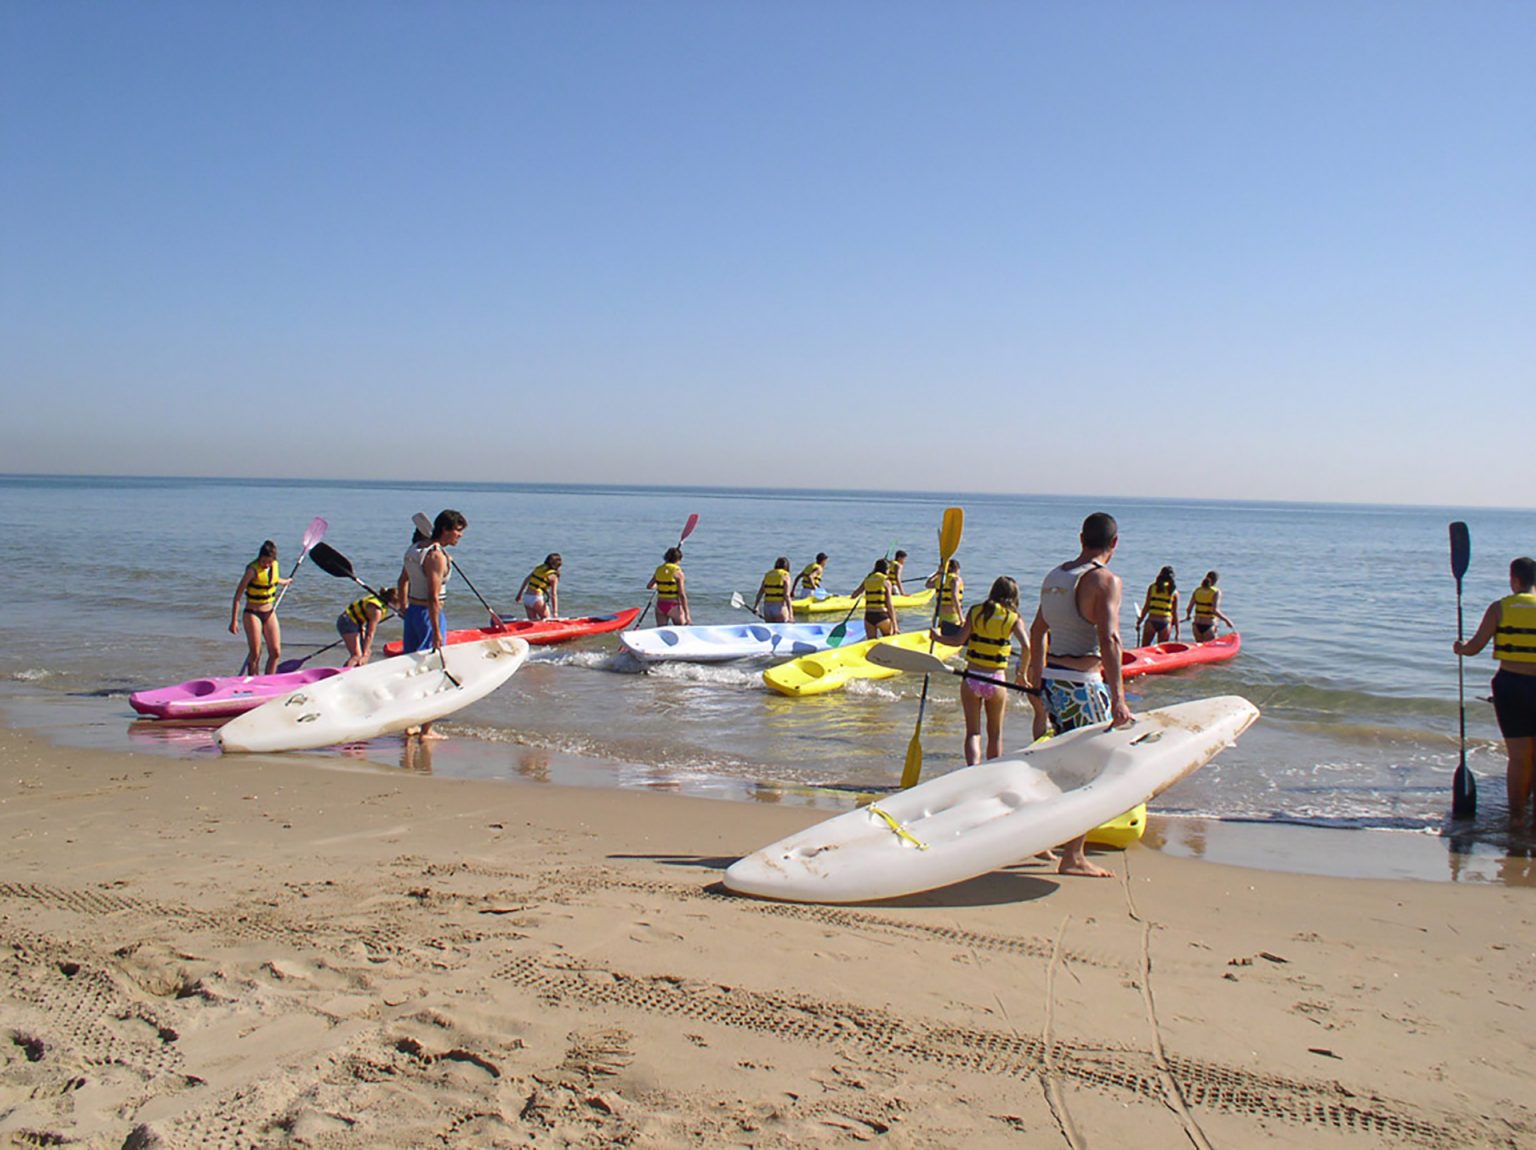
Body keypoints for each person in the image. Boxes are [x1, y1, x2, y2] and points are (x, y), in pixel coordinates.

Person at [1026, 512, 1134, 878]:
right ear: (1114, 544)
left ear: (1081, 538)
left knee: (1057, 763)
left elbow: (1038, 629)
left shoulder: (1055, 576)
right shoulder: (1105, 581)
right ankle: (1074, 855)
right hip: (1083, 685)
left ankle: (1042, 839)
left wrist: (1035, 677)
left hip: (1053, 683)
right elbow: (1110, 639)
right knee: (1091, 769)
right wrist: (1118, 697)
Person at [1453, 556, 1536, 828]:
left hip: (1510, 684)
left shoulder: (1499, 608)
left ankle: (1516, 818)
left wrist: (1460, 647)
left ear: (1514, 580)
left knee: (1519, 757)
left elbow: (1475, 647)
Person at [934, 576, 1031, 765]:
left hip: (971, 678)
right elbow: (1026, 647)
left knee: (973, 732)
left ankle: (972, 770)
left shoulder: (976, 611)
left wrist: (936, 638)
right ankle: (990, 774)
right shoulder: (1013, 618)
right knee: (995, 734)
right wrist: (1022, 675)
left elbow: (958, 641)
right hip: (996, 680)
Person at [395, 510, 468, 739]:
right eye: (458, 531)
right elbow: (434, 596)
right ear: (445, 530)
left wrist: (404, 607)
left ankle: (409, 724)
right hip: (429, 615)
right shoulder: (436, 555)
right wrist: (436, 631)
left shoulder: (415, 549)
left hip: (414, 614)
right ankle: (426, 729)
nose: (460, 536)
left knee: (413, 669)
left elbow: (402, 581)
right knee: (432, 670)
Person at [230, 540, 293, 675]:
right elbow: (237, 597)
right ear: (259, 557)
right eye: (263, 561)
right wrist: (234, 621)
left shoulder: (274, 566)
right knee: (255, 653)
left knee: (275, 652)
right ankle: (253, 682)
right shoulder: (252, 571)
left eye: (269, 562)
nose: (266, 565)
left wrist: (285, 582)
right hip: (252, 614)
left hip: (269, 613)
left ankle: (269, 680)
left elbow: (273, 579)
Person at [337, 586, 400, 667]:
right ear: (393, 602)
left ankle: (358, 672)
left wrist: (366, 651)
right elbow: (370, 634)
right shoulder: (377, 611)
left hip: (357, 623)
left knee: (366, 653)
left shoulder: (379, 598)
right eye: (400, 604)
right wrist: (365, 653)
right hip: (347, 623)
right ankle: (343, 675)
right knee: (357, 656)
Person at [855, 557, 899, 640]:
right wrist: (895, 624)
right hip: (882, 616)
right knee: (888, 641)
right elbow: (889, 604)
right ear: (886, 569)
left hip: (869, 616)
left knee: (871, 643)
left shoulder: (867, 579)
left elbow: (854, 595)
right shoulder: (886, 581)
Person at [1136, 566, 1180, 646]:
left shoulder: (1152, 587)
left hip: (1151, 621)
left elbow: (1147, 606)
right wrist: (1177, 631)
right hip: (1165, 623)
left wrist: (1140, 621)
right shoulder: (1174, 592)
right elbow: (1175, 613)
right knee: (1161, 651)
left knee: (1144, 648)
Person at [1185, 570, 1234, 641]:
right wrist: (1227, 620)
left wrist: (1188, 616)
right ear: (1216, 581)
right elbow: (1215, 611)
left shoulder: (1197, 590)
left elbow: (1189, 608)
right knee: (1212, 648)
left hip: (1196, 625)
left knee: (1200, 648)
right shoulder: (1216, 592)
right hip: (1208, 626)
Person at [647, 546, 690, 626]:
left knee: (662, 633)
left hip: (660, 606)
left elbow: (649, 586)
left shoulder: (659, 570)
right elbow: (682, 594)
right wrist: (687, 615)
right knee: (681, 632)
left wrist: (660, 586)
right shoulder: (678, 572)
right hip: (674, 606)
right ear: (678, 559)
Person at [927, 558, 965, 639]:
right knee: (952, 641)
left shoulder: (940, 579)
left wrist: (937, 573)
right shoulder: (956, 579)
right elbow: (954, 597)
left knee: (939, 639)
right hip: (952, 616)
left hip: (938, 615)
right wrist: (961, 618)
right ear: (956, 569)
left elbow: (928, 584)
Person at [517, 554, 562, 621]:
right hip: (536, 599)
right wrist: (555, 612)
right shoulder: (553, 576)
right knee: (547, 620)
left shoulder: (539, 569)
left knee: (533, 621)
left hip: (526, 598)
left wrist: (519, 594)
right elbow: (553, 594)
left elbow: (526, 579)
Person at [754, 557, 795, 623]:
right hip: (779, 607)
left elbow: (761, 592)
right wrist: (791, 614)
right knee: (783, 630)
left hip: (767, 608)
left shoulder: (768, 574)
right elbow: (787, 595)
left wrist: (756, 606)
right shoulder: (785, 575)